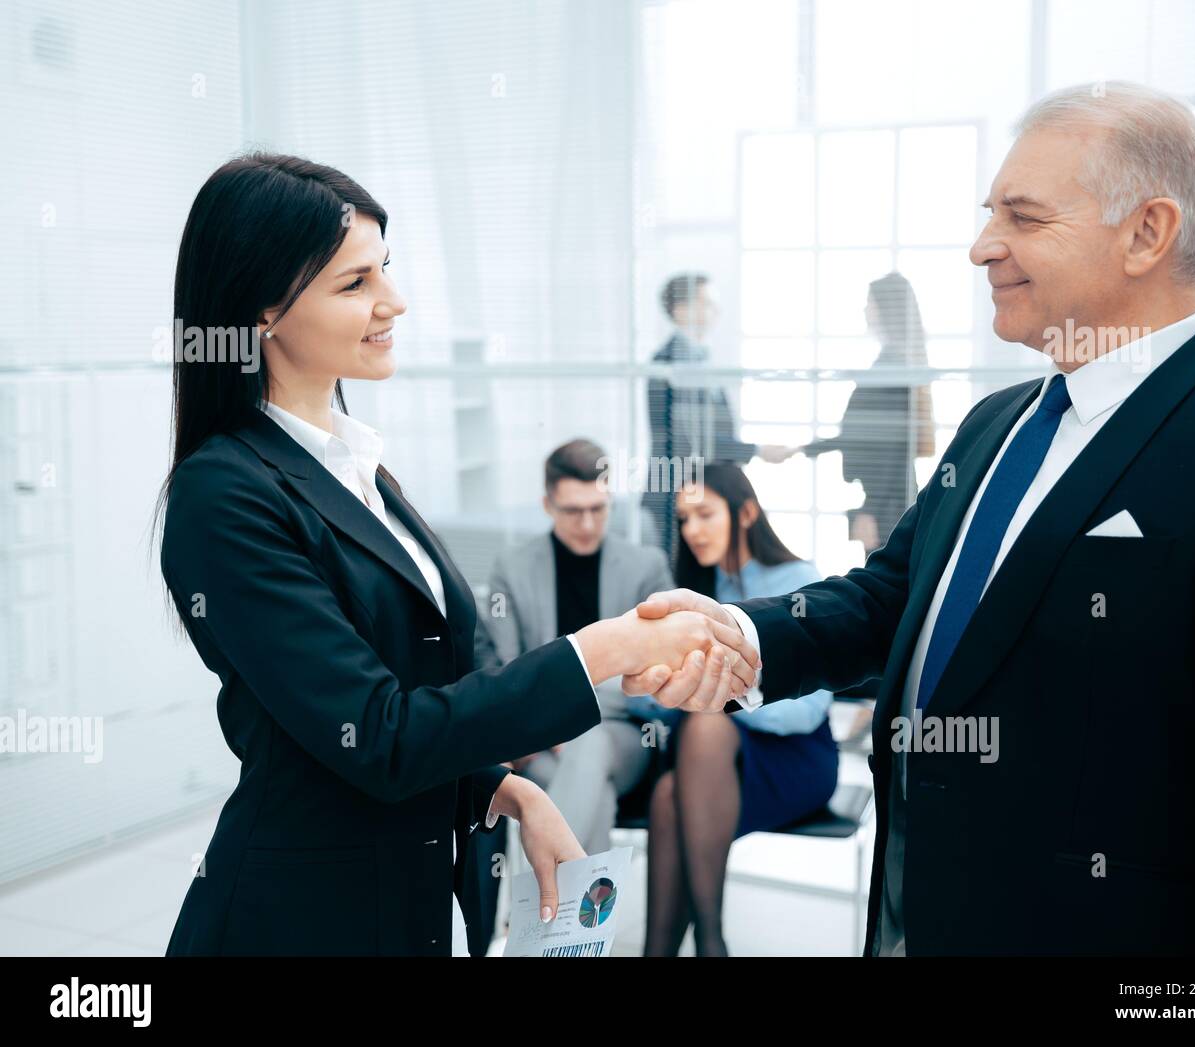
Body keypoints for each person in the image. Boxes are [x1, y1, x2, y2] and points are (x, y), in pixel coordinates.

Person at [624, 82, 1195, 956]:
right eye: (991, 214)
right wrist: (743, 640)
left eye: (1022, 217)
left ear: (1147, 233)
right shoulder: (999, 423)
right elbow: (890, 597)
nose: (984, 247)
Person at [155, 153, 757, 957]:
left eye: (387, 271)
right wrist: (607, 648)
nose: (393, 302)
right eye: (355, 282)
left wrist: (504, 791)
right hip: (299, 915)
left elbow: (408, 690)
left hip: (406, 896)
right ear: (264, 309)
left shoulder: (361, 468)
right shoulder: (223, 495)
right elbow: (375, 732)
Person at [644, 463, 835, 957]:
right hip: (712, 767)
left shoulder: (798, 580)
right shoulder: (695, 590)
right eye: (685, 519)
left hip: (795, 758)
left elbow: (807, 713)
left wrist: (726, 701)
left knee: (708, 724)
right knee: (668, 795)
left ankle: (709, 939)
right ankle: (676, 947)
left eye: (705, 514)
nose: (692, 530)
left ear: (746, 512)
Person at [484, 438, 674, 854]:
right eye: (573, 511)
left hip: (623, 739)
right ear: (547, 505)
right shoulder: (511, 570)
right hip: (541, 746)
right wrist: (546, 727)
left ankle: (539, 911)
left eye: (598, 509)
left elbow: (662, 674)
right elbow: (506, 673)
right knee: (590, 792)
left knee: (589, 745)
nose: (588, 524)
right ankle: (579, 917)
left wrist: (562, 712)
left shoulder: (647, 567)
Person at [644, 273, 791, 556]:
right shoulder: (671, 363)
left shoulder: (698, 360)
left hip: (699, 488)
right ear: (680, 310)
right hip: (678, 491)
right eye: (707, 303)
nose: (716, 312)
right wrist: (757, 450)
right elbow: (691, 439)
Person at [801, 271, 935, 554]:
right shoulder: (896, 362)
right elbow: (860, 434)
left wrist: (870, 510)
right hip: (889, 495)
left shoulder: (893, 366)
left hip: (886, 499)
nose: (865, 310)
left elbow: (890, 447)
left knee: (884, 586)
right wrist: (804, 448)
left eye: (870, 303)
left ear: (886, 308)